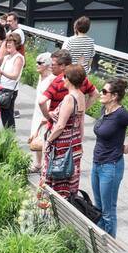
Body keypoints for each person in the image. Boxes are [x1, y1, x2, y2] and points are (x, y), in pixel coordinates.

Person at [89, 78, 128, 237]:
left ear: (114, 96)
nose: (101, 94)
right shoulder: (104, 110)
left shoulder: (121, 114)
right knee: (98, 207)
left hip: (111, 166)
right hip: (97, 163)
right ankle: (99, 241)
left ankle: (110, 246)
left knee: (108, 210)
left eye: (104, 92)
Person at [42, 63, 87, 199]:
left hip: (62, 144)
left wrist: (48, 142)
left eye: (64, 77)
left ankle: (53, 205)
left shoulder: (69, 98)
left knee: (57, 175)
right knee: (69, 176)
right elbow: (81, 122)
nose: (62, 79)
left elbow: (60, 126)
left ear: (69, 79)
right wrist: (79, 142)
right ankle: (68, 204)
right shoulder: (81, 96)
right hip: (74, 143)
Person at [39, 50, 98, 123]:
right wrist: (81, 111)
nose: (50, 67)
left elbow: (41, 101)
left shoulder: (57, 82)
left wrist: (48, 118)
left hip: (56, 123)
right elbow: (95, 94)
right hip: (73, 125)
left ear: (63, 66)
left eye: (53, 64)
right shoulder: (81, 78)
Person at [0, 29, 25, 129]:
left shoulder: (19, 58)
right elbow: (0, 76)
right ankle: (6, 137)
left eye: (11, 43)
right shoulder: (6, 57)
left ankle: (10, 139)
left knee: (8, 117)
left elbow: (15, 76)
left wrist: (1, 71)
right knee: (4, 117)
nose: (8, 45)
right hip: (1, 88)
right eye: (7, 43)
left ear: (16, 45)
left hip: (10, 91)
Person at [28, 50, 54, 174]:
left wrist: (47, 115)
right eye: (36, 62)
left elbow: (51, 98)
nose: (37, 65)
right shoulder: (40, 76)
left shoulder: (51, 79)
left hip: (46, 112)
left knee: (45, 138)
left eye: (40, 63)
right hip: (37, 111)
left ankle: (45, 165)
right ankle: (37, 163)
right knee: (35, 136)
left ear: (48, 65)